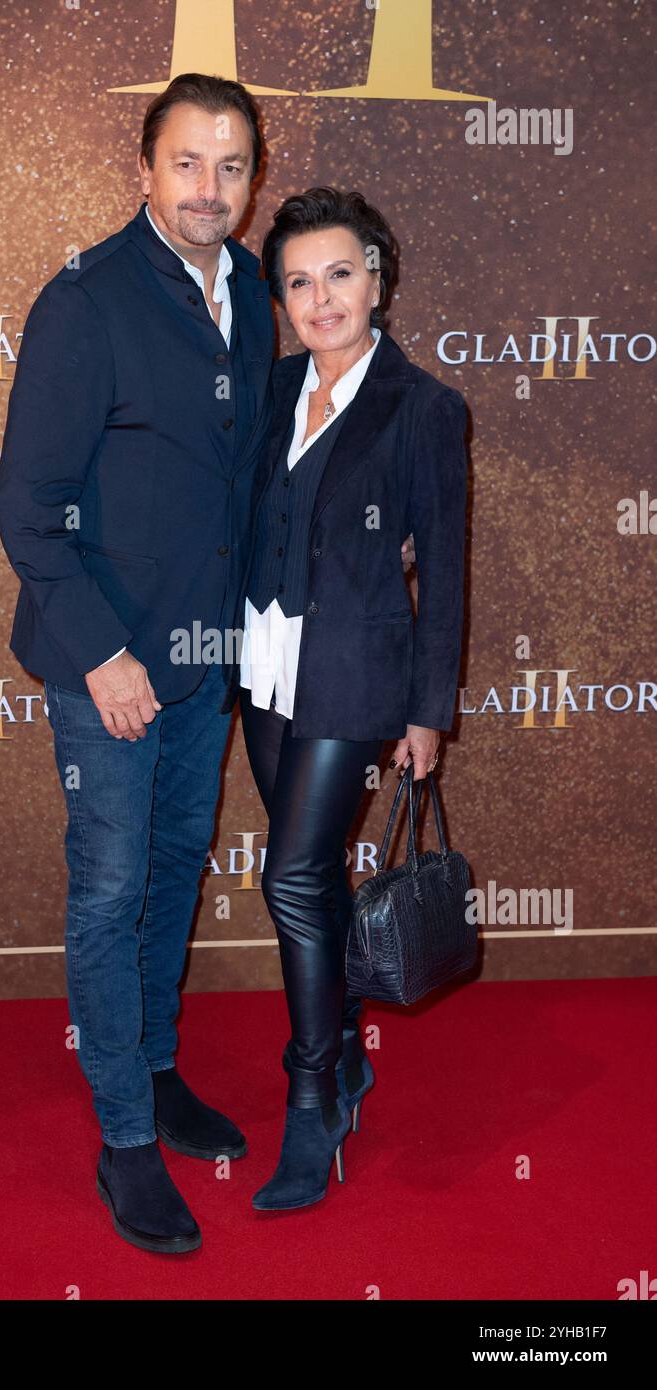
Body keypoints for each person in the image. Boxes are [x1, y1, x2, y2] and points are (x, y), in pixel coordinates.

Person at [0, 74, 277, 1255]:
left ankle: (156, 1072)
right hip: (103, 661)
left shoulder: (256, 292)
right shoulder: (86, 302)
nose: (209, 190)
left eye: (230, 167)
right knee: (110, 895)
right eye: (186, 165)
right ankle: (121, 1139)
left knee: (169, 873)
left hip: (205, 656)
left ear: (252, 178)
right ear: (144, 171)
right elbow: (27, 509)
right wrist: (105, 657)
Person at [233, 187, 468, 1212]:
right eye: (296, 281)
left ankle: (311, 1087)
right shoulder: (270, 384)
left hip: (354, 675)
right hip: (261, 664)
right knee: (314, 878)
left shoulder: (422, 408)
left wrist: (427, 710)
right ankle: (347, 1064)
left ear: (375, 276)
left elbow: (447, 571)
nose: (318, 297)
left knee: (288, 878)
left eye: (337, 273)